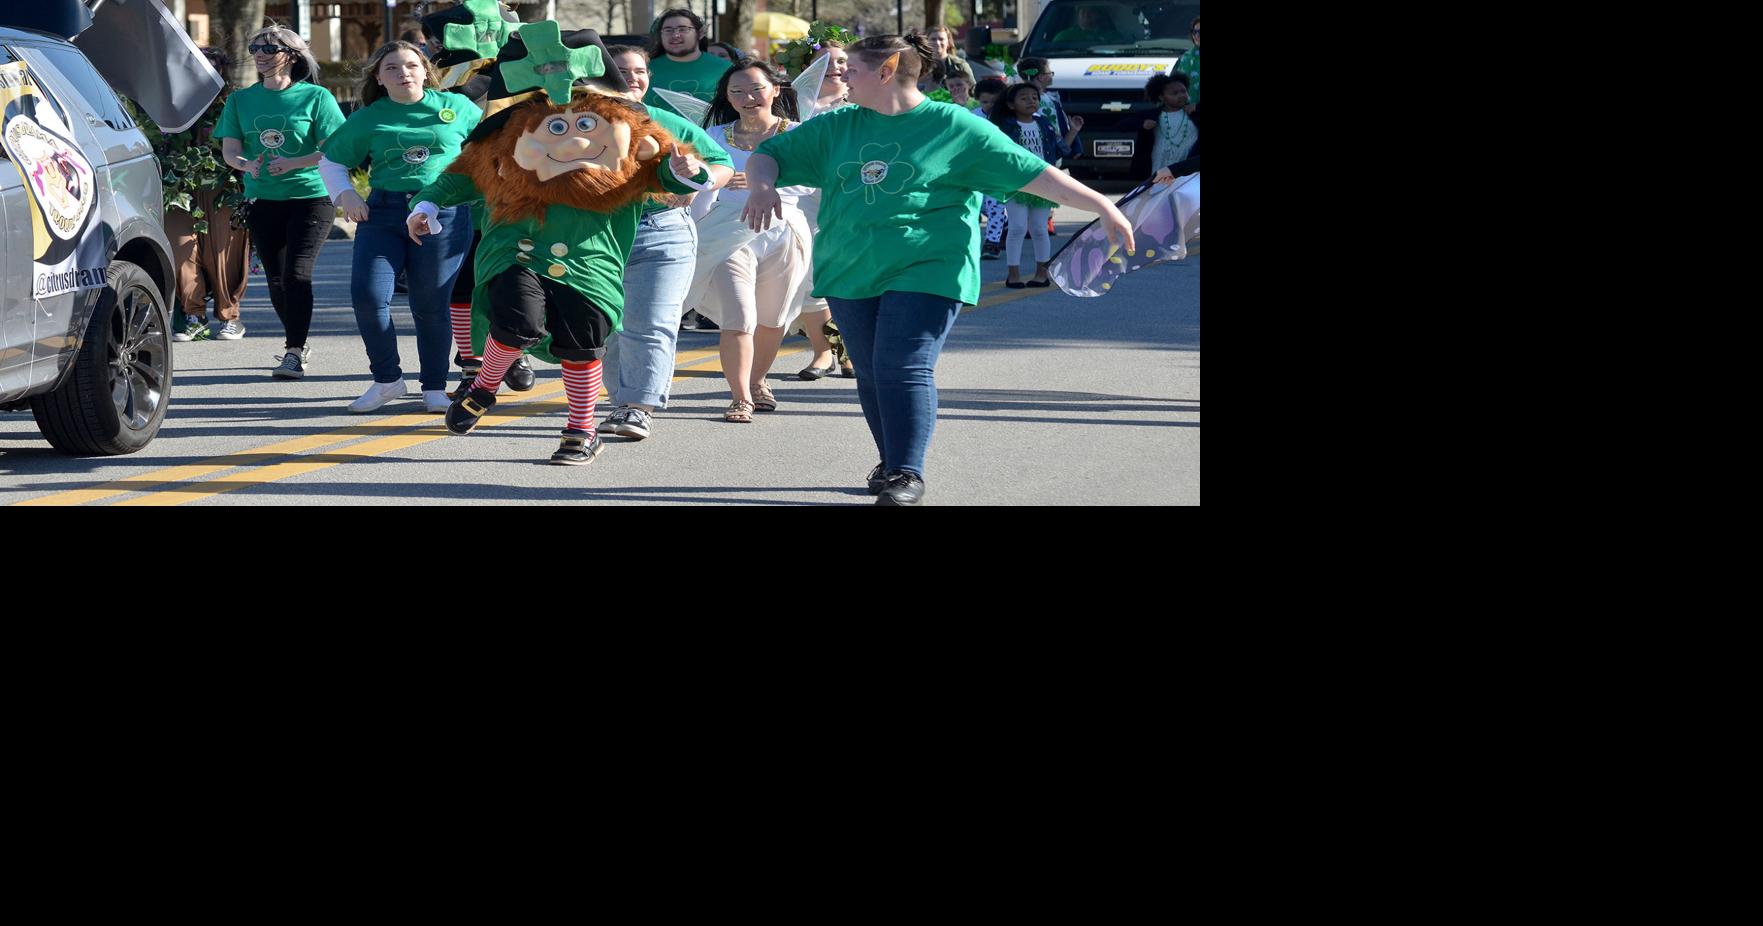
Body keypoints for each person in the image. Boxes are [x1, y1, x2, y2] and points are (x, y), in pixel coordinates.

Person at [742, 32, 1134, 505]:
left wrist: (1103, 207)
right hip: (849, 267)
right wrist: (761, 187)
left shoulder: (954, 125)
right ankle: (891, 462)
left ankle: (907, 472)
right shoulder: (838, 125)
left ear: (886, 72)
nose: (842, 79)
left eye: (854, 71)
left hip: (930, 266)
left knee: (902, 365)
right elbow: (769, 156)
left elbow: (1033, 173)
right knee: (870, 371)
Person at [415, 25, 720, 465]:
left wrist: (688, 170)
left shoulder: (633, 126)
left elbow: (673, 174)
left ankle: (580, 429)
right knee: (515, 320)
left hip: (592, 263)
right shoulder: (514, 129)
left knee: (583, 348)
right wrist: (425, 204)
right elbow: (465, 173)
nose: (572, 133)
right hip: (520, 247)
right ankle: (484, 384)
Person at [319, 41, 480, 414]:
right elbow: (330, 161)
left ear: (426, 71)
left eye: (410, 65)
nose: (403, 73)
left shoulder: (457, 109)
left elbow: (490, 153)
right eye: (391, 68)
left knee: (430, 305)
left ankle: (435, 388)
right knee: (368, 296)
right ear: (378, 76)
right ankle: (387, 379)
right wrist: (346, 194)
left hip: (443, 213)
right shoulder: (370, 116)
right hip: (384, 213)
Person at [598, 43, 736, 441]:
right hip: (599, 236)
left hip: (662, 232)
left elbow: (720, 165)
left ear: (648, 78)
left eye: (639, 71)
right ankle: (619, 400)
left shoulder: (665, 121)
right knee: (608, 327)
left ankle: (638, 407)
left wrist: (698, 174)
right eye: (620, 70)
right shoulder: (579, 122)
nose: (631, 78)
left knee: (651, 322)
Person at [215, 25, 345, 378]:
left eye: (269, 48)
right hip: (262, 198)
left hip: (311, 196)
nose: (259, 54)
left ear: (292, 55)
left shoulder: (316, 99)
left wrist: (295, 162)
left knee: (297, 275)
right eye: (255, 47)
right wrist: (245, 164)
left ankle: (294, 351)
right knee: (276, 279)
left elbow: (335, 148)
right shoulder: (241, 100)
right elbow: (230, 149)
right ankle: (297, 337)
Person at [690, 58, 813, 422]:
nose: (748, 98)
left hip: (782, 229)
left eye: (757, 89)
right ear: (727, 98)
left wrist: (765, 183)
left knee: (773, 318)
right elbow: (699, 182)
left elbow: (814, 181)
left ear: (776, 90)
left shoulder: (798, 133)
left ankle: (758, 379)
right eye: (737, 92)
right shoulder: (714, 137)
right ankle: (740, 396)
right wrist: (723, 179)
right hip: (729, 231)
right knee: (740, 316)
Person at [163, 47, 251, 345]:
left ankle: (230, 315)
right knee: (181, 249)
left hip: (223, 187)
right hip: (176, 188)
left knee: (223, 252)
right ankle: (193, 315)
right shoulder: (166, 105)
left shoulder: (235, 105)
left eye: (212, 70)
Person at [990, 83, 1080, 288]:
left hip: (1043, 181)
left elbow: (1059, 151)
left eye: (1034, 97)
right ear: (1011, 105)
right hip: (1016, 182)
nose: (1032, 101)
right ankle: (1013, 274)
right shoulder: (1006, 125)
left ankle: (1042, 273)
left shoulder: (1044, 124)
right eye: (1024, 98)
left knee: (1040, 229)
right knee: (1017, 227)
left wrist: (1073, 131)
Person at [1119, 72, 1199, 182]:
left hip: (1186, 173)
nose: (1181, 95)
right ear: (1161, 97)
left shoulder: (1194, 113)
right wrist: (1142, 124)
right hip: (1158, 171)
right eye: (1174, 93)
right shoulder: (1153, 115)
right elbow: (1121, 125)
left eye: (1183, 91)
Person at [645, 8, 731, 104]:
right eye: (668, 30)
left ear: (700, 33)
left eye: (683, 29)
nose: (675, 35)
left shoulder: (726, 69)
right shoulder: (643, 70)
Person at [1052, 5, 1127, 44]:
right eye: (1083, 11)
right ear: (1078, 15)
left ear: (1098, 14)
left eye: (1091, 11)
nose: (1086, 14)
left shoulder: (1113, 36)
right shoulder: (1064, 36)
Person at [1174, 16, 1199, 107]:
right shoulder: (1186, 57)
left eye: (1200, 32)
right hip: (1188, 112)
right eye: (1194, 32)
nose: (1197, 35)